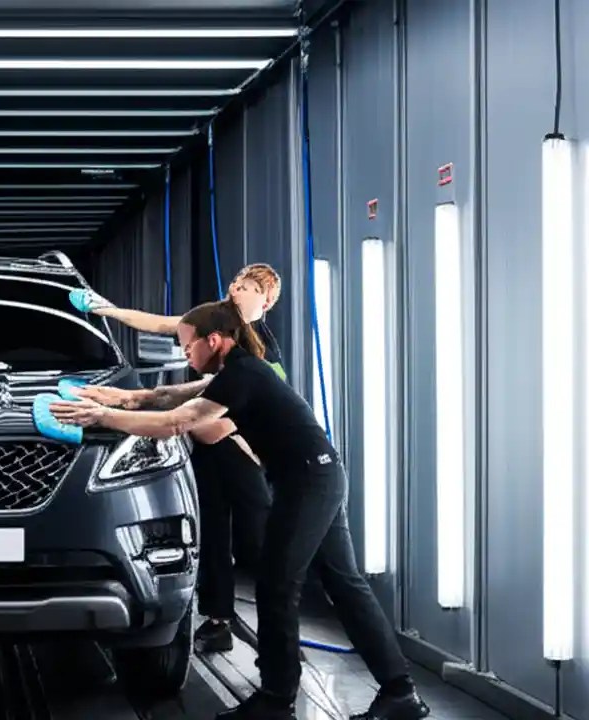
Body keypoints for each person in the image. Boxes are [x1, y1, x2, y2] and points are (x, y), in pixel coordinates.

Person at [49, 299, 430, 720]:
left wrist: (100, 416)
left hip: (307, 481)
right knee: (343, 584)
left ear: (214, 340)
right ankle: (401, 694)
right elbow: (166, 395)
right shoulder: (237, 370)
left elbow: (175, 422)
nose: (186, 356)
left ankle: (277, 699)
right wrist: (115, 398)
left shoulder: (242, 375)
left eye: (188, 347)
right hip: (316, 474)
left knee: (277, 585)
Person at [74, 263, 284, 652]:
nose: (237, 289)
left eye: (249, 286)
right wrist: (109, 310)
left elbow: (210, 410)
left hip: (241, 453)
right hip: (207, 450)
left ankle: (282, 623)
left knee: (259, 538)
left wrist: (122, 409)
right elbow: (160, 324)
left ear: (267, 299)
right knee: (213, 534)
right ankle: (218, 619)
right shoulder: (214, 322)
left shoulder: (260, 349)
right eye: (236, 282)